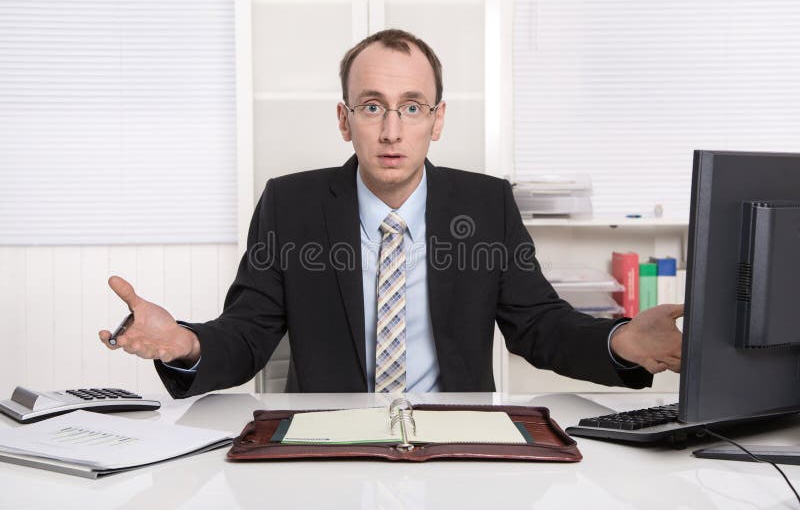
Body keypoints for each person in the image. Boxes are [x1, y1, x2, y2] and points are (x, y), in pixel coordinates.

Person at [99, 29, 682, 397]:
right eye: (373, 107)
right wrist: (185, 343)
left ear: (438, 119)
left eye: (412, 107)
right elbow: (247, 334)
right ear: (344, 119)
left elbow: (540, 327)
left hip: (456, 439)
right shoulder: (290, 204)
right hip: (328, 443)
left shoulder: (485, 204)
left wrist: (621, 342)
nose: (392, 131)